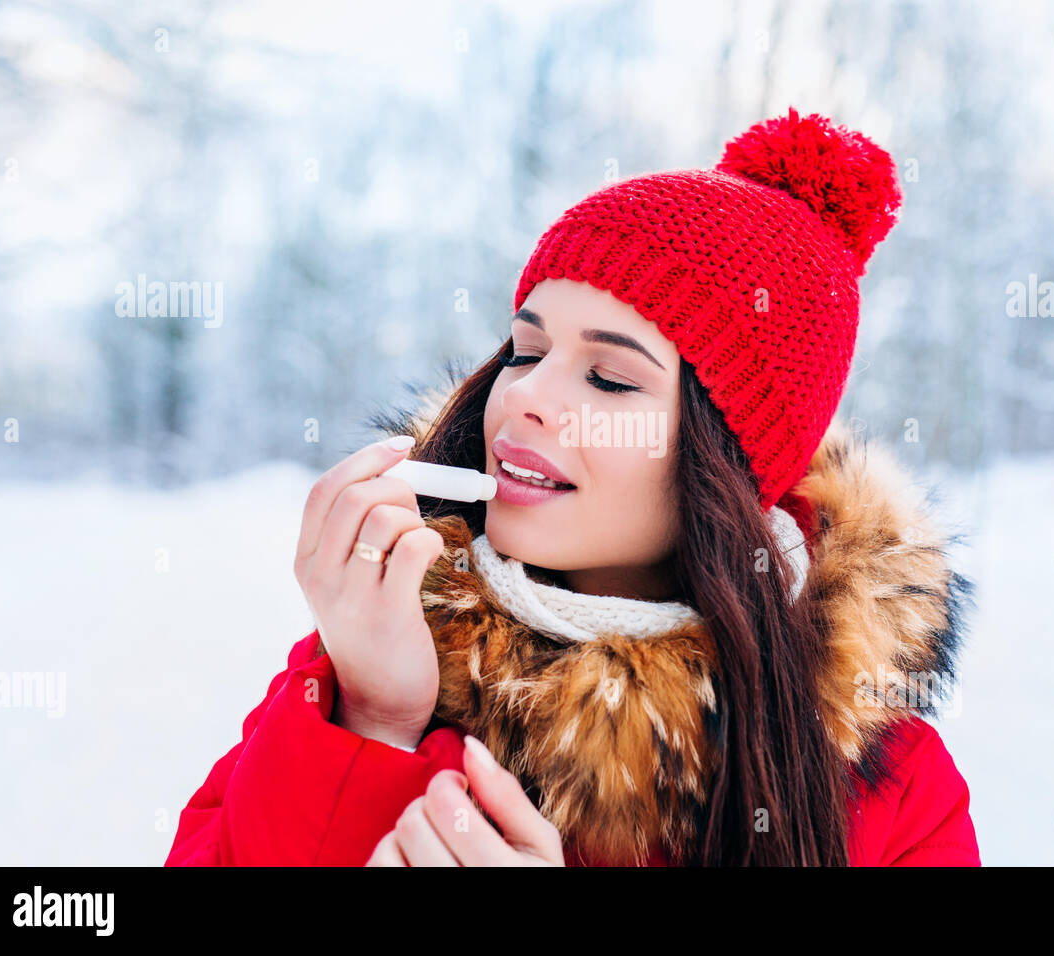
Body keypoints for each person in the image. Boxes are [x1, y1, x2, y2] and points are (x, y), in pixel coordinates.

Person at [165, 106, 981, 867]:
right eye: (525, 351)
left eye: (609, 378)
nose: (521, 396)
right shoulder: (370, 659)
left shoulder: (886, 783)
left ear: (730, 465)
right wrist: (374, 724)